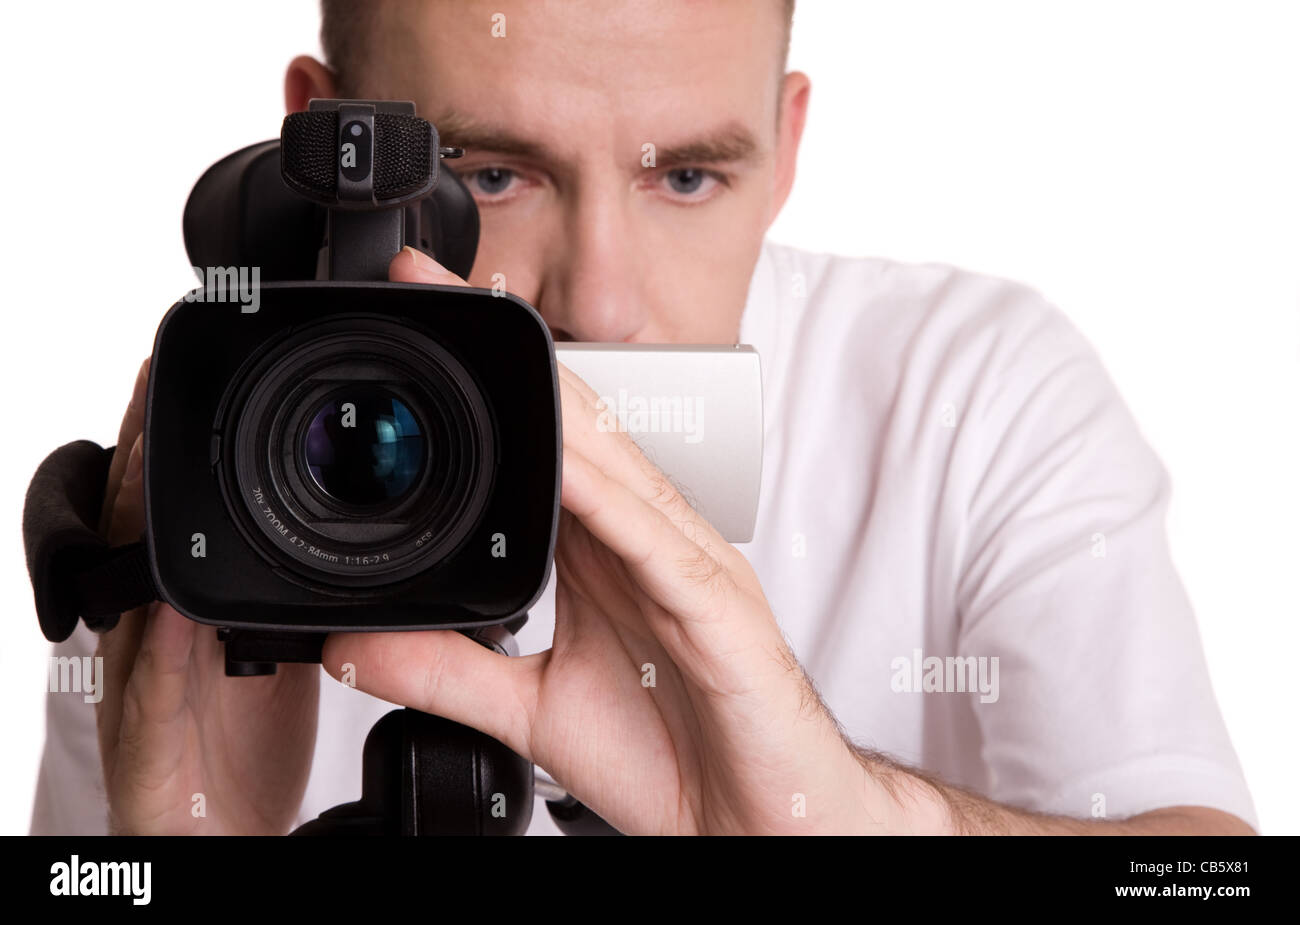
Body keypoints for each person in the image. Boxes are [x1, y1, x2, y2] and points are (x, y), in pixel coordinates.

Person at [31, 0, 1257, 835]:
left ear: (784, 149)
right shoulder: (233, 467)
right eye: (492, 175)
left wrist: (844, 822)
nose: (603, 306)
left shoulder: (972, 390)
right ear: (324, 145)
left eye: (684, 177)